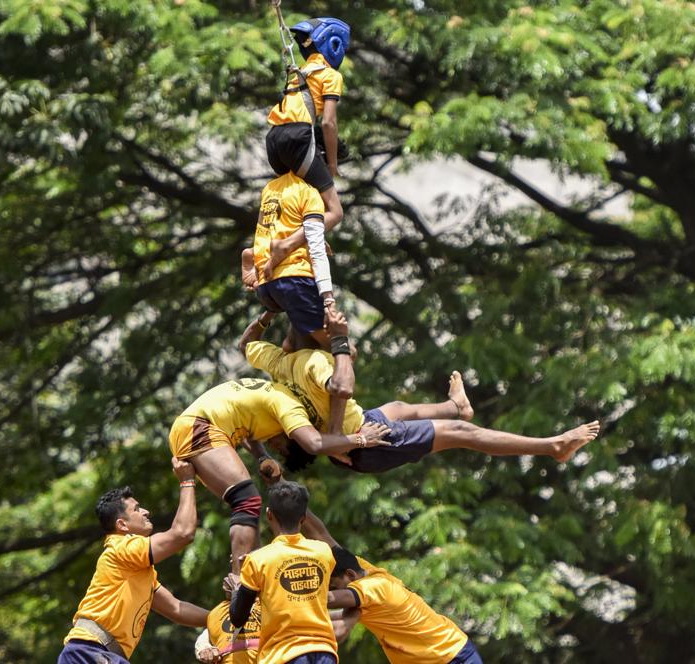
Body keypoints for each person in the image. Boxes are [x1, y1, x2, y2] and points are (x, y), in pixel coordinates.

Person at [240, 309, 601, 474]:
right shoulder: (312, 369)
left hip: (361, 424)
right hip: (369, 441)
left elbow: (247, 345)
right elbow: (340, 390)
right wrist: (338, 341)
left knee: (398, 406)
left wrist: (267, 313)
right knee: (462, 435)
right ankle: (552, 447)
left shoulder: (279, 364)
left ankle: (453, 405)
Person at [167, 377, 390, 573]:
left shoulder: (271, 409)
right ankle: (240, 580)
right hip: (200, 425)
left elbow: (246, 428)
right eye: (280, 448)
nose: (274, 446)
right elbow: (313, 443)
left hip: (199, 426)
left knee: (247, 503)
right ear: (292, 436)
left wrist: (262, 457)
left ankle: (248, 577)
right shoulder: (290, 411)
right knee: (247, 500)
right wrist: (361, 439)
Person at [58, 459, 208, 663]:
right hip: (87, 652)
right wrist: (187, 481)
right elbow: (182, 533)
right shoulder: (122, 548)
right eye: (137, 509)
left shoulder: (138, 568)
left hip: (98, 654)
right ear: (122, 525)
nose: (146, 511)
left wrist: (222, 617)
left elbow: (176, 609)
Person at [301, 496, 483, 664]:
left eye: (334, 586)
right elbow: (322, 536)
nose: (334, 591)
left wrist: (286, 597)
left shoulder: (375, 587)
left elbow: (328, 600)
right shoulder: (362, 570)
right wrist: (283, 491)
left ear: (350, 575)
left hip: (453, 657)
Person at [263, 17, 350, 276]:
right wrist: (332, 164)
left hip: (273, 139)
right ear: (334, 46)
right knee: (334, 212)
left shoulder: (298, 73)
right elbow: (329, 124)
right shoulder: (330, 75)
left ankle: (280, 252)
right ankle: (287, 245)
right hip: (298, 138)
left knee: (300, 201)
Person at [229, 481, 339, 664]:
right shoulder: (324, 552)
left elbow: (238, 617)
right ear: (303, 517)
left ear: (269, 514)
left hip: (282, 655)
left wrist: (237, 586)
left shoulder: (258, 560)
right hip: (324, 652)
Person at [240, 167, 338, 351]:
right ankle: (284, 248)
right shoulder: (317, 369)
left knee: (344, 351)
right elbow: (246, 346)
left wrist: (275, 307)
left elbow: (245, 345)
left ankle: (276, 251)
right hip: (285, 284)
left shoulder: (279, 363)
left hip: (271, 287)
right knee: (344, 352)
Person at [194, 569, 262, 664]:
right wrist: (204, 647)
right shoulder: (218, 611)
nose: (228, 580)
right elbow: (207, 635)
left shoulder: (270, 605)